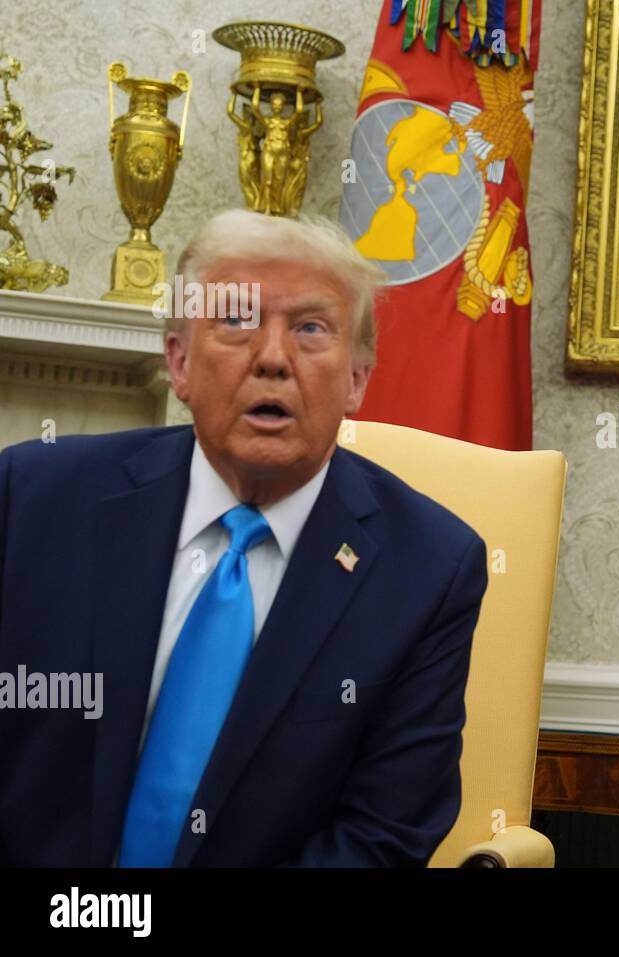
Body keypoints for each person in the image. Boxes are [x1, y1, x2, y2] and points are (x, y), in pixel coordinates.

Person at [0, 209, 488, 866]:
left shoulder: (429, 569)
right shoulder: (32, 498)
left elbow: (380, 838)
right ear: (178, 361)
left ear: (356, 380)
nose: (273, 357)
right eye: (235, 318)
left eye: (311, 328)